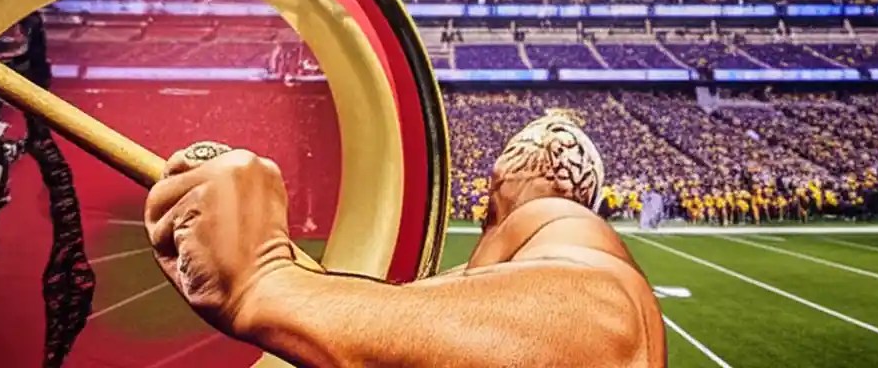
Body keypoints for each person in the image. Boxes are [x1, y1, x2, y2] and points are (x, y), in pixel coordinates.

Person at [144, 114, 666, 367]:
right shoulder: (464, 292)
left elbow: (602, 326)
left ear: (495, 180)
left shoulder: (553, 217)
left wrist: (265, 282)